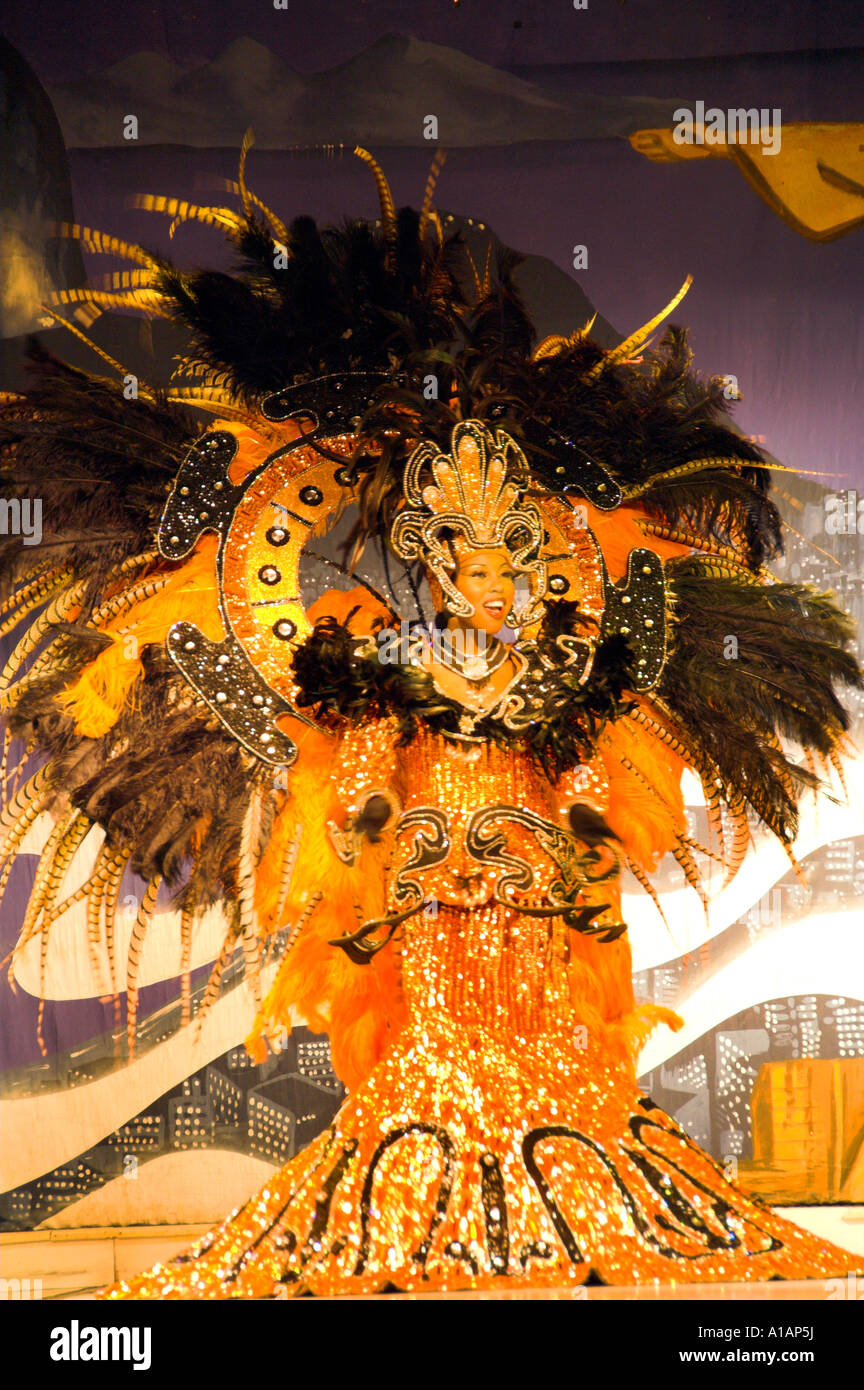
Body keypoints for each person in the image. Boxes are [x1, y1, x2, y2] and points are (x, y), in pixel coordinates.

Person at [0, 148, 861, 1297]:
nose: (489, 580)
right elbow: (350, 789)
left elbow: (597, 782)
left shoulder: (571, 668)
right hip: (426, 917)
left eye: (510, 556)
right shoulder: (375, 662)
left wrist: (577, 837)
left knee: (568, 1093)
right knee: (415, 1108)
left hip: (536, 919)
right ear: (429, 556)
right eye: (464, 555)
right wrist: (372, 830)